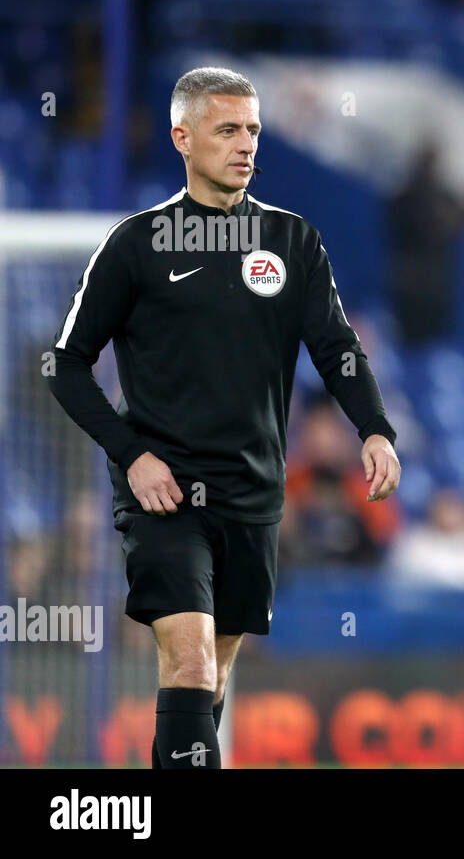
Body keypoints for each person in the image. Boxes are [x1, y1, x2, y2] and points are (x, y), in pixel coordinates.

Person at [48, 66, 401, 769]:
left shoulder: (292, 242)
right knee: (190, 664)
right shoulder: (137, 244)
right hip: (165, 493)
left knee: (209, 681)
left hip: (253, 493)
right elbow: (65, 364)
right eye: (228, 130)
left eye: (253, 130)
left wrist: (375, 427)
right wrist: (131, 455)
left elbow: (337, 348)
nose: (246, 145)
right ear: (183, 137)